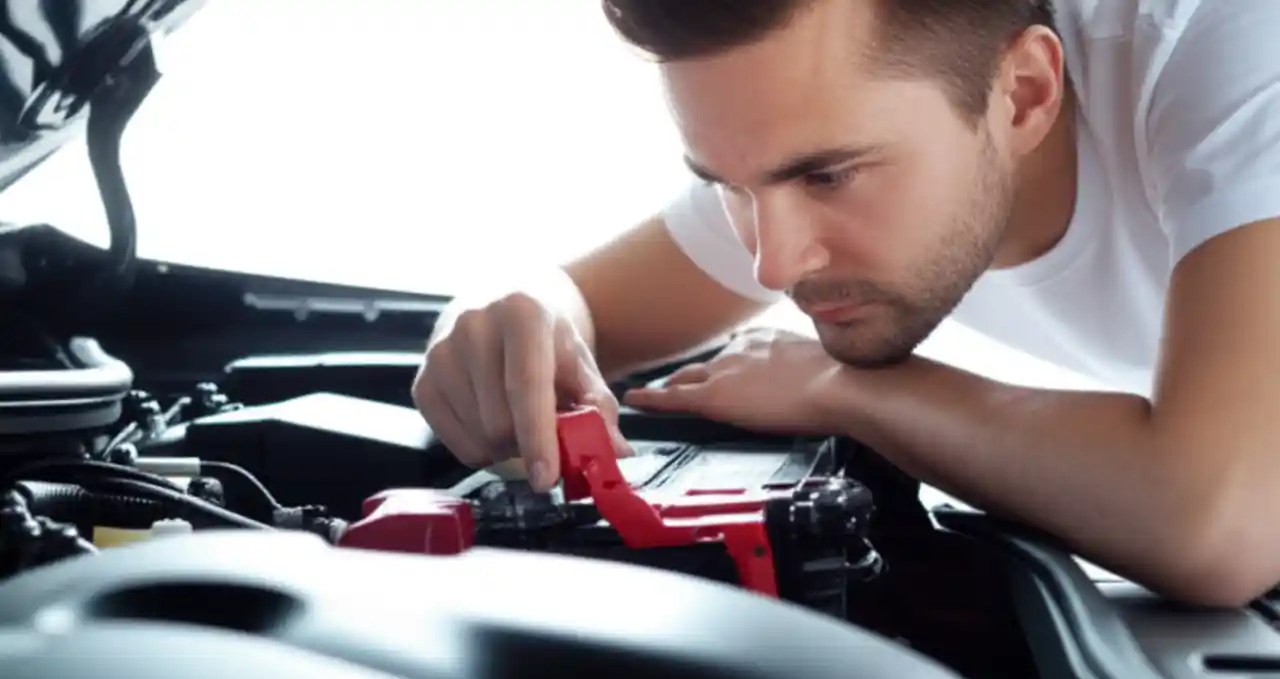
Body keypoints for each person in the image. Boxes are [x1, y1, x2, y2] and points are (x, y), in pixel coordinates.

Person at [412, 0, 1280, 608]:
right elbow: (569, 299)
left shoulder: (1237, 50)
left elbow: (1216, 523)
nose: (773, 259)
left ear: (1023, 96)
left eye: (826, 176)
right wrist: (502, 307)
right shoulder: (820, 143)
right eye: (728, 188)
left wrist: (847, 388)